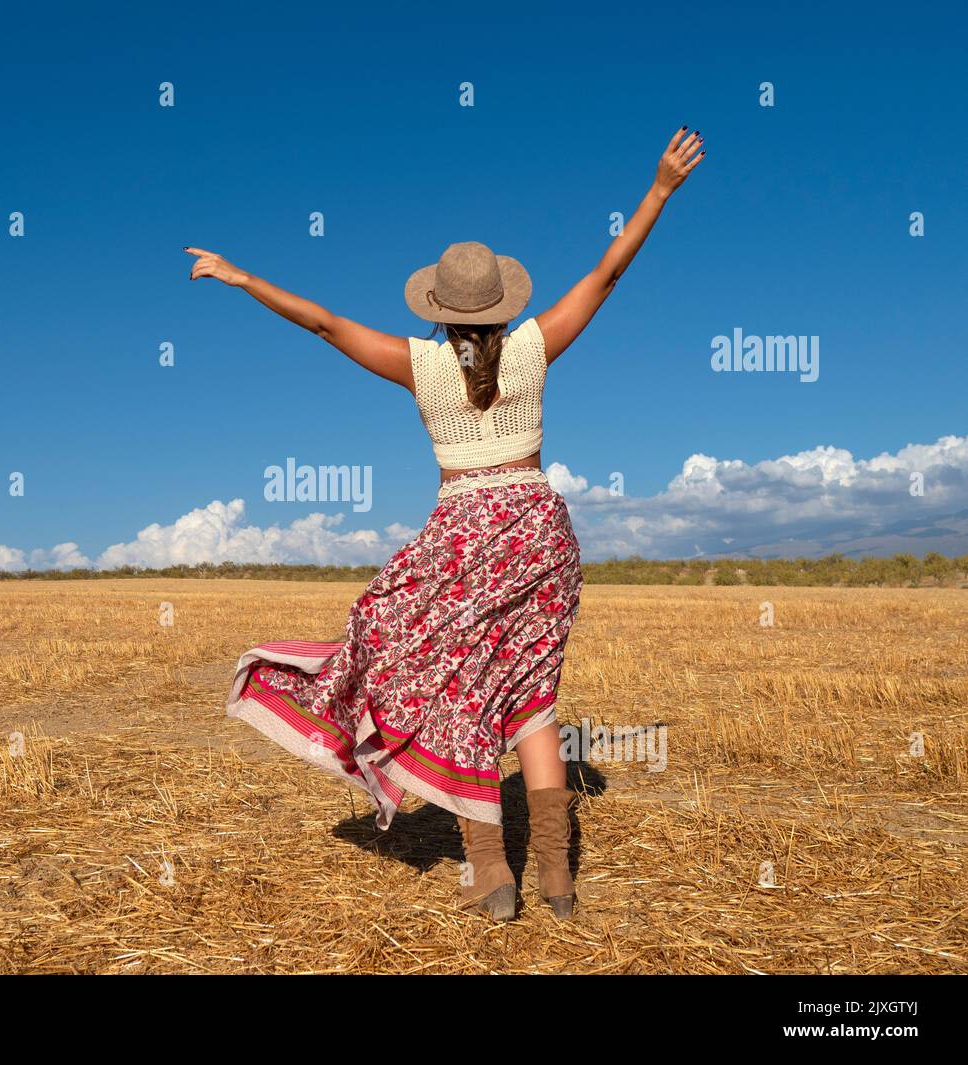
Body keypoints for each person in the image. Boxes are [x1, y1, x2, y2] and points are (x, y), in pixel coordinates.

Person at [190, 126, 705, 921]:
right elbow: (607, 273)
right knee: (532, 698)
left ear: (440, 308)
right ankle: (558, 883)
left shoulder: (421, 365)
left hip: (465, 532)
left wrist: (243, 275)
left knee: (457, 687)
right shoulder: (534, 348)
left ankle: (492, 874)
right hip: (538, 530)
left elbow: (324, 323)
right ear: (503, 303)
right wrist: (661, 188)